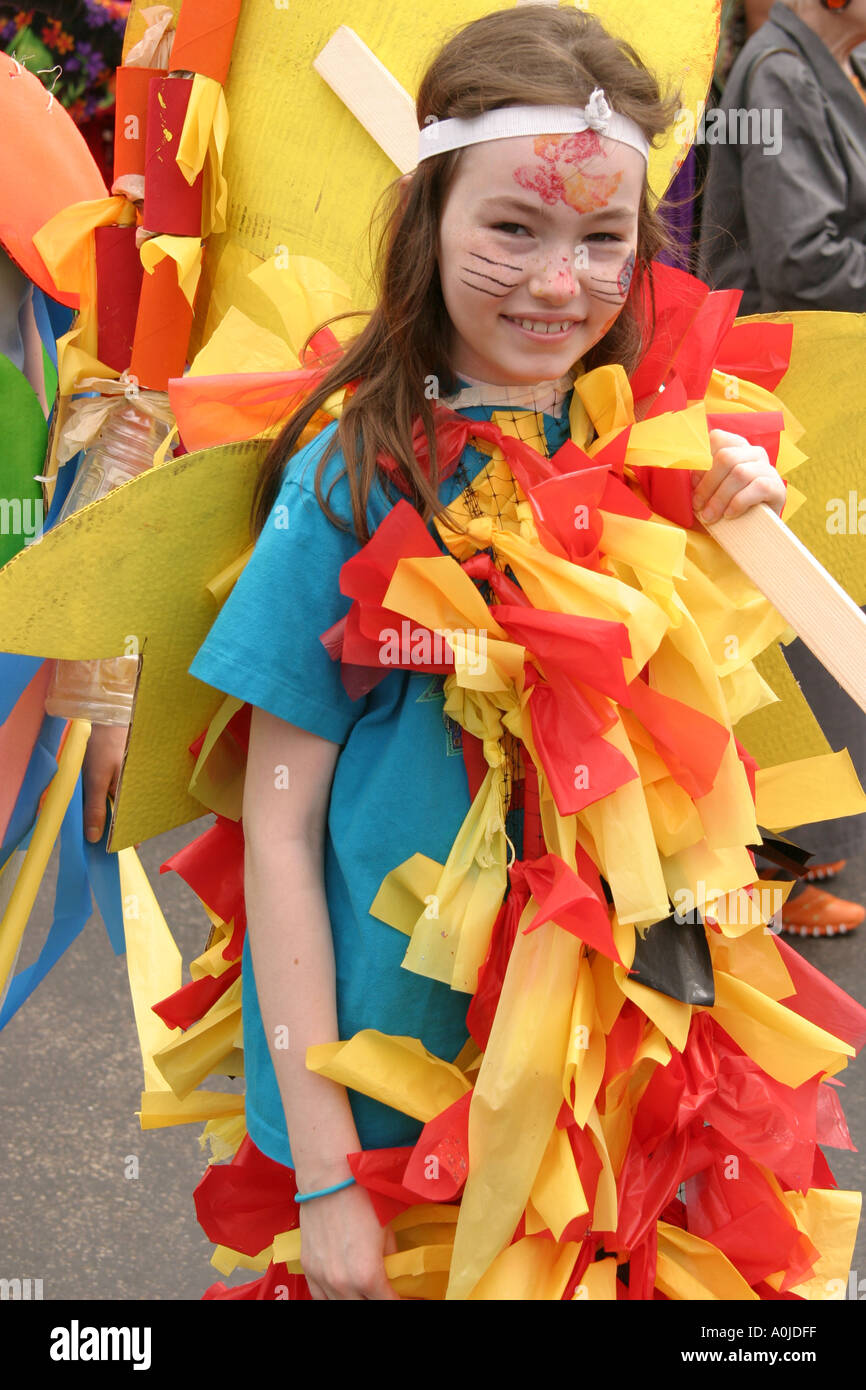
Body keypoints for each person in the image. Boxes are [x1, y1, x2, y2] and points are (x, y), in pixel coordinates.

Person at [187, 5, 859, 1301]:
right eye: (512, 228)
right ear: (423, 218)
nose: (559, 284)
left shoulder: (638, 456)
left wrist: (717, 508)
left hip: (612, 1105)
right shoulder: (351, 480)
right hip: (400, 1112)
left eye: (604, 239)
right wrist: (324, 1175)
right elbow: (276, 831)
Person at [700, 0, 866, 936]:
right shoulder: (777, 70)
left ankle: (801, 850)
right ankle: (776, 870)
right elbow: (804, 261)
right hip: (783, 395)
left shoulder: (834, 66)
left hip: (834, 393)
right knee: (786, 632)